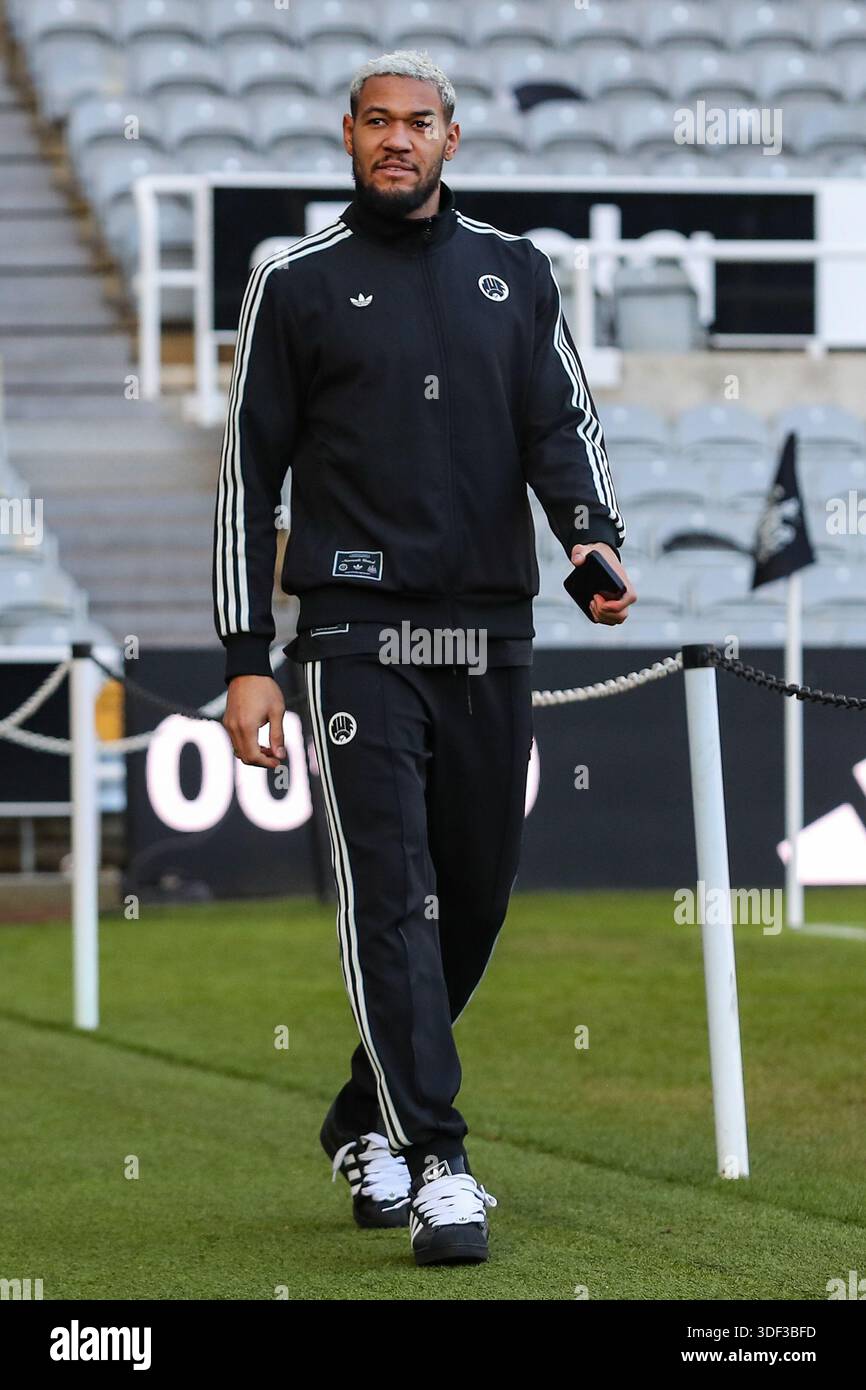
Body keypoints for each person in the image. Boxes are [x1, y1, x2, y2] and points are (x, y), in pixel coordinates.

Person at [213, 51, 636, 1268]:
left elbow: (558, 425)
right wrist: (249, 656)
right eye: (377, 122)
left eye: (420, 124)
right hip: (353, 635)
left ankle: (362, 1111)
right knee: (391, 895)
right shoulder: (291, 283)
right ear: (346, 135)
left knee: (475, 901)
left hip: (489, 632)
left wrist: (589, 539)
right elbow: (249, 478)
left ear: (452, 140)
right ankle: (437, 1161)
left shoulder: (515, 273)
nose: (397, 140)